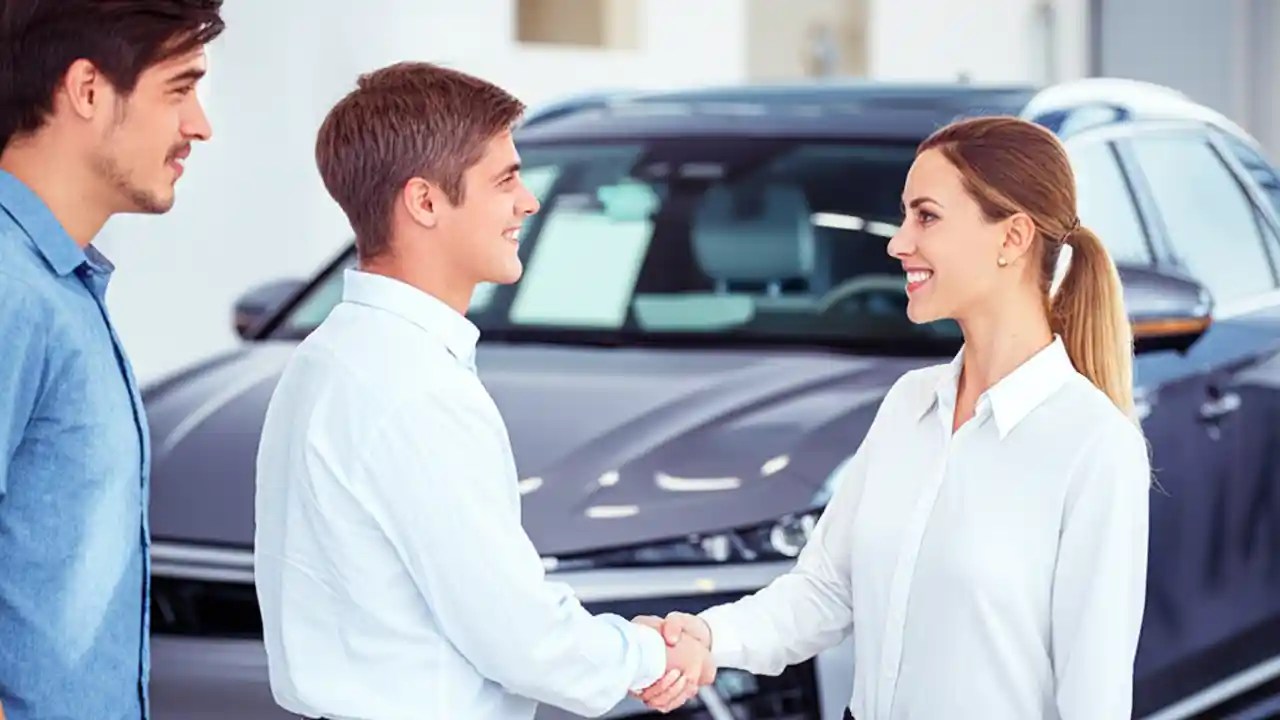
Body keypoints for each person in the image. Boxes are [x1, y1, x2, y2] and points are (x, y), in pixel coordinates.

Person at [637, 116, 1152, 719]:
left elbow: (1095, 697)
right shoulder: (910, 404)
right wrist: (707, 638)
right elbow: (826, 590)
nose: (897, 242)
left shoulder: (1092, 445)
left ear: (1012, 238)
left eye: (925, 216)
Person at [252, 61, 712, 720]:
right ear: (425, 201)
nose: (528, 201)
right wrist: (649, 653)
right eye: (505, 180)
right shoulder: (412, 387)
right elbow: (520, 638)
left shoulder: (330, 357)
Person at [0, 1, 224, 718]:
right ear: (88, 90)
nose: (200, 124)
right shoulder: (12, 289)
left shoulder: (59, 288)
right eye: (179, 88)